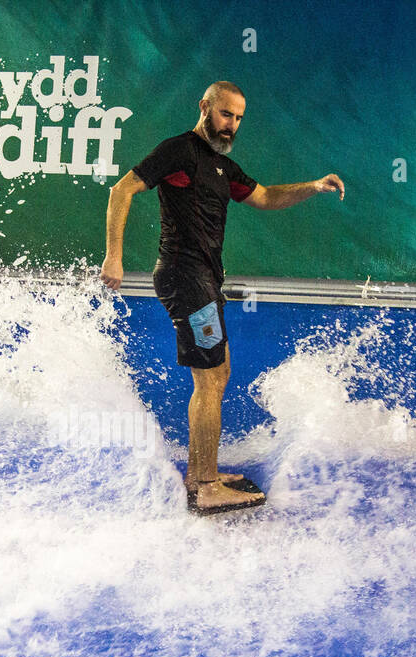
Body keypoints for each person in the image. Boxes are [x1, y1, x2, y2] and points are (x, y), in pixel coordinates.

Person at [100, 80, 344, 515]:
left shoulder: (219, 167)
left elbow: (265, 197)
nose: (231, 125)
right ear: (206, 107)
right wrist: (113, 257)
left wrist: (314, 186)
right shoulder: (179, 151)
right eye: (225, 114)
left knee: (220, 369)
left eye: (237, 118)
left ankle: (199, 471)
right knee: (209, 379)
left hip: (204, 282)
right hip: (185, 277)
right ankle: (207, 485)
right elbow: (122, 190)